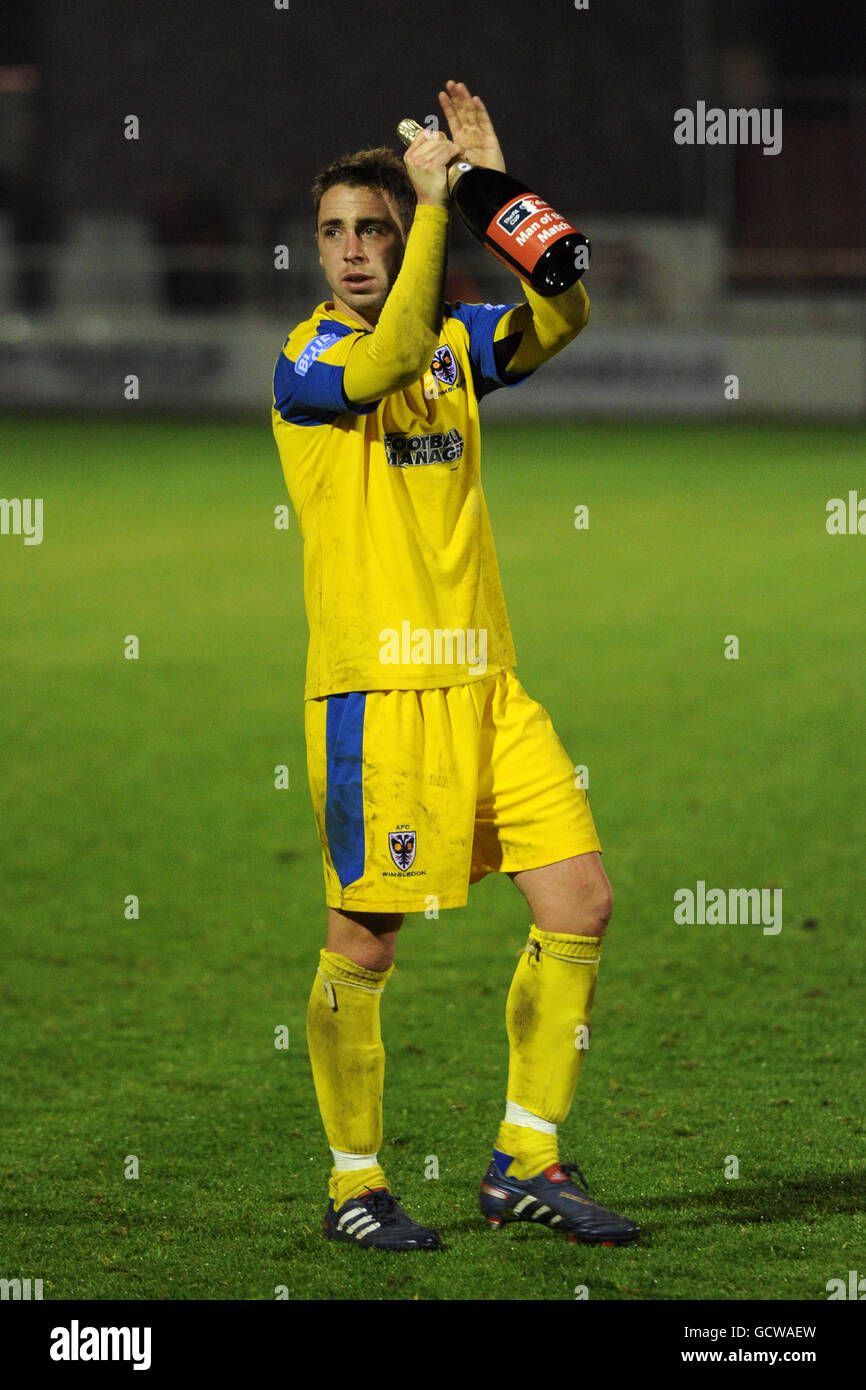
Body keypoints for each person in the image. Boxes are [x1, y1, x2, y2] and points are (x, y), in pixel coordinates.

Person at [271, 80, 639, 1252]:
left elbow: (566, 306)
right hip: (376, 698)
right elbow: (380, 364)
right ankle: (352, 1183)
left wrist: (489, 191)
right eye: (334, 230)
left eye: (372, 226)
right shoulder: (307, 363)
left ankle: (524, 1156)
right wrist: (433, 211)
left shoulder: (458, 349)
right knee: (365, 940)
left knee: (578, 898)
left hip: (487, 686)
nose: (351, 250)